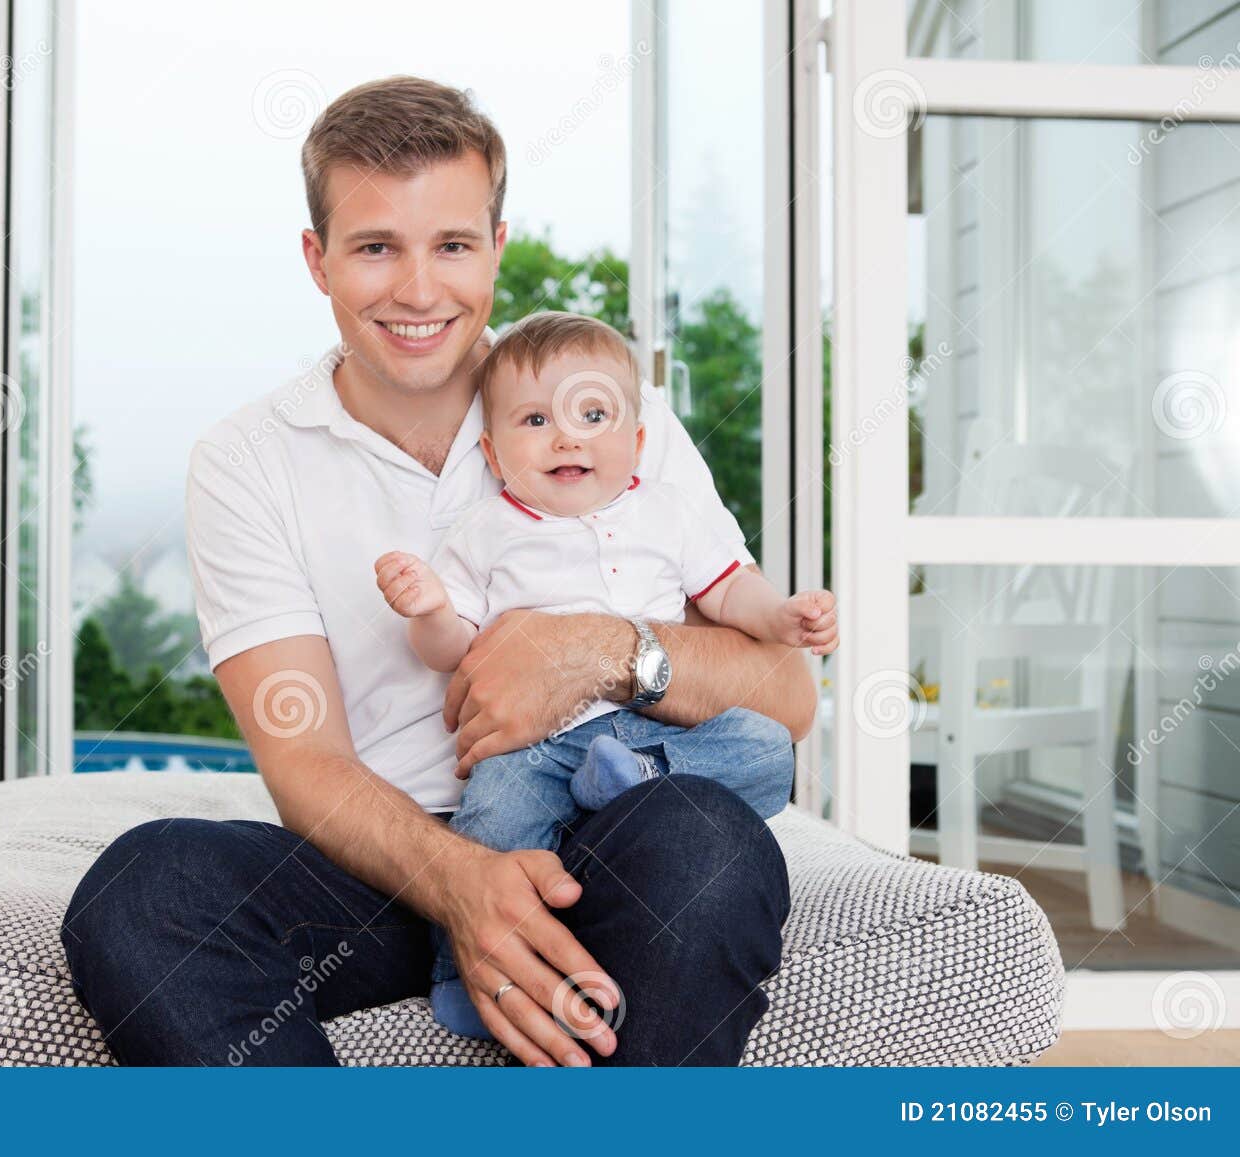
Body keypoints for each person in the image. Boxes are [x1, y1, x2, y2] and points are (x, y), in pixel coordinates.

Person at [62, 75, 815, 1067]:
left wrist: (602, 651)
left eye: (451, 245)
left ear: (495, 248)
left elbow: (787, 691)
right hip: (381, 870)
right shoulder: (247, 459)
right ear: (316, 259)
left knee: (704, 836)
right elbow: (307, 764)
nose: (419, 290)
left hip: (596, 840)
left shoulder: (595, 408)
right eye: (376, 247)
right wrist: (464, 883)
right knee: (144, 888)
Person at [374, 310, 837, 1038]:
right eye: (535, 419)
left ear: (639, 441)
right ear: (494, 453)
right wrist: (428, 607)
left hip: (654, 720)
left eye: (594, 414)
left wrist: (780, 617)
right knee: (489, 823)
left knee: (764, 747)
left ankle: (636, 782)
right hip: (533, 743)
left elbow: (727, 593)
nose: (568, 436)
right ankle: (462, 975)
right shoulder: (487, 528)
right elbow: (449, 647)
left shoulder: (668, 512)